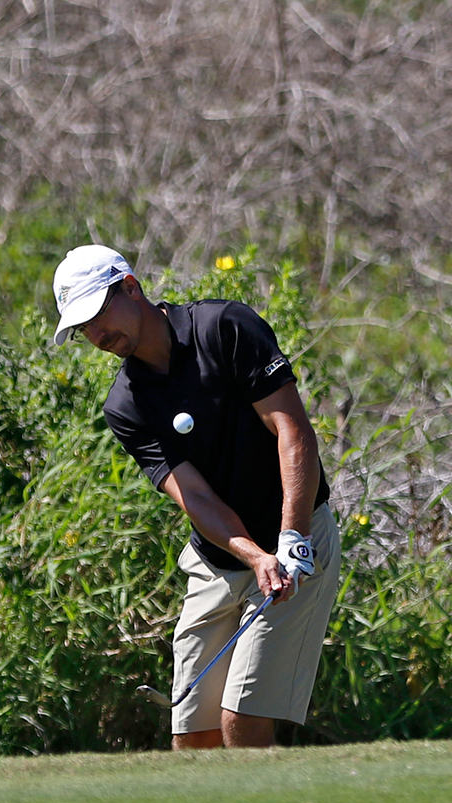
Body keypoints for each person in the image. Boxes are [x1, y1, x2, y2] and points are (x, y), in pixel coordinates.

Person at [51, 245, 339, 749]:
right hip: (218, 559)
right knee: (193, 738)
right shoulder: (126, 405)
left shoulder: (225, 328)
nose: (97, 336)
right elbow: (196, 498)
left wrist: (291, 540)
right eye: (84, 329)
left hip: (298, 541)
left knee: (241, 723)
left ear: (131, 287)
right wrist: (252, 555)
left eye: (98, 315)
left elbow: (292, 432)